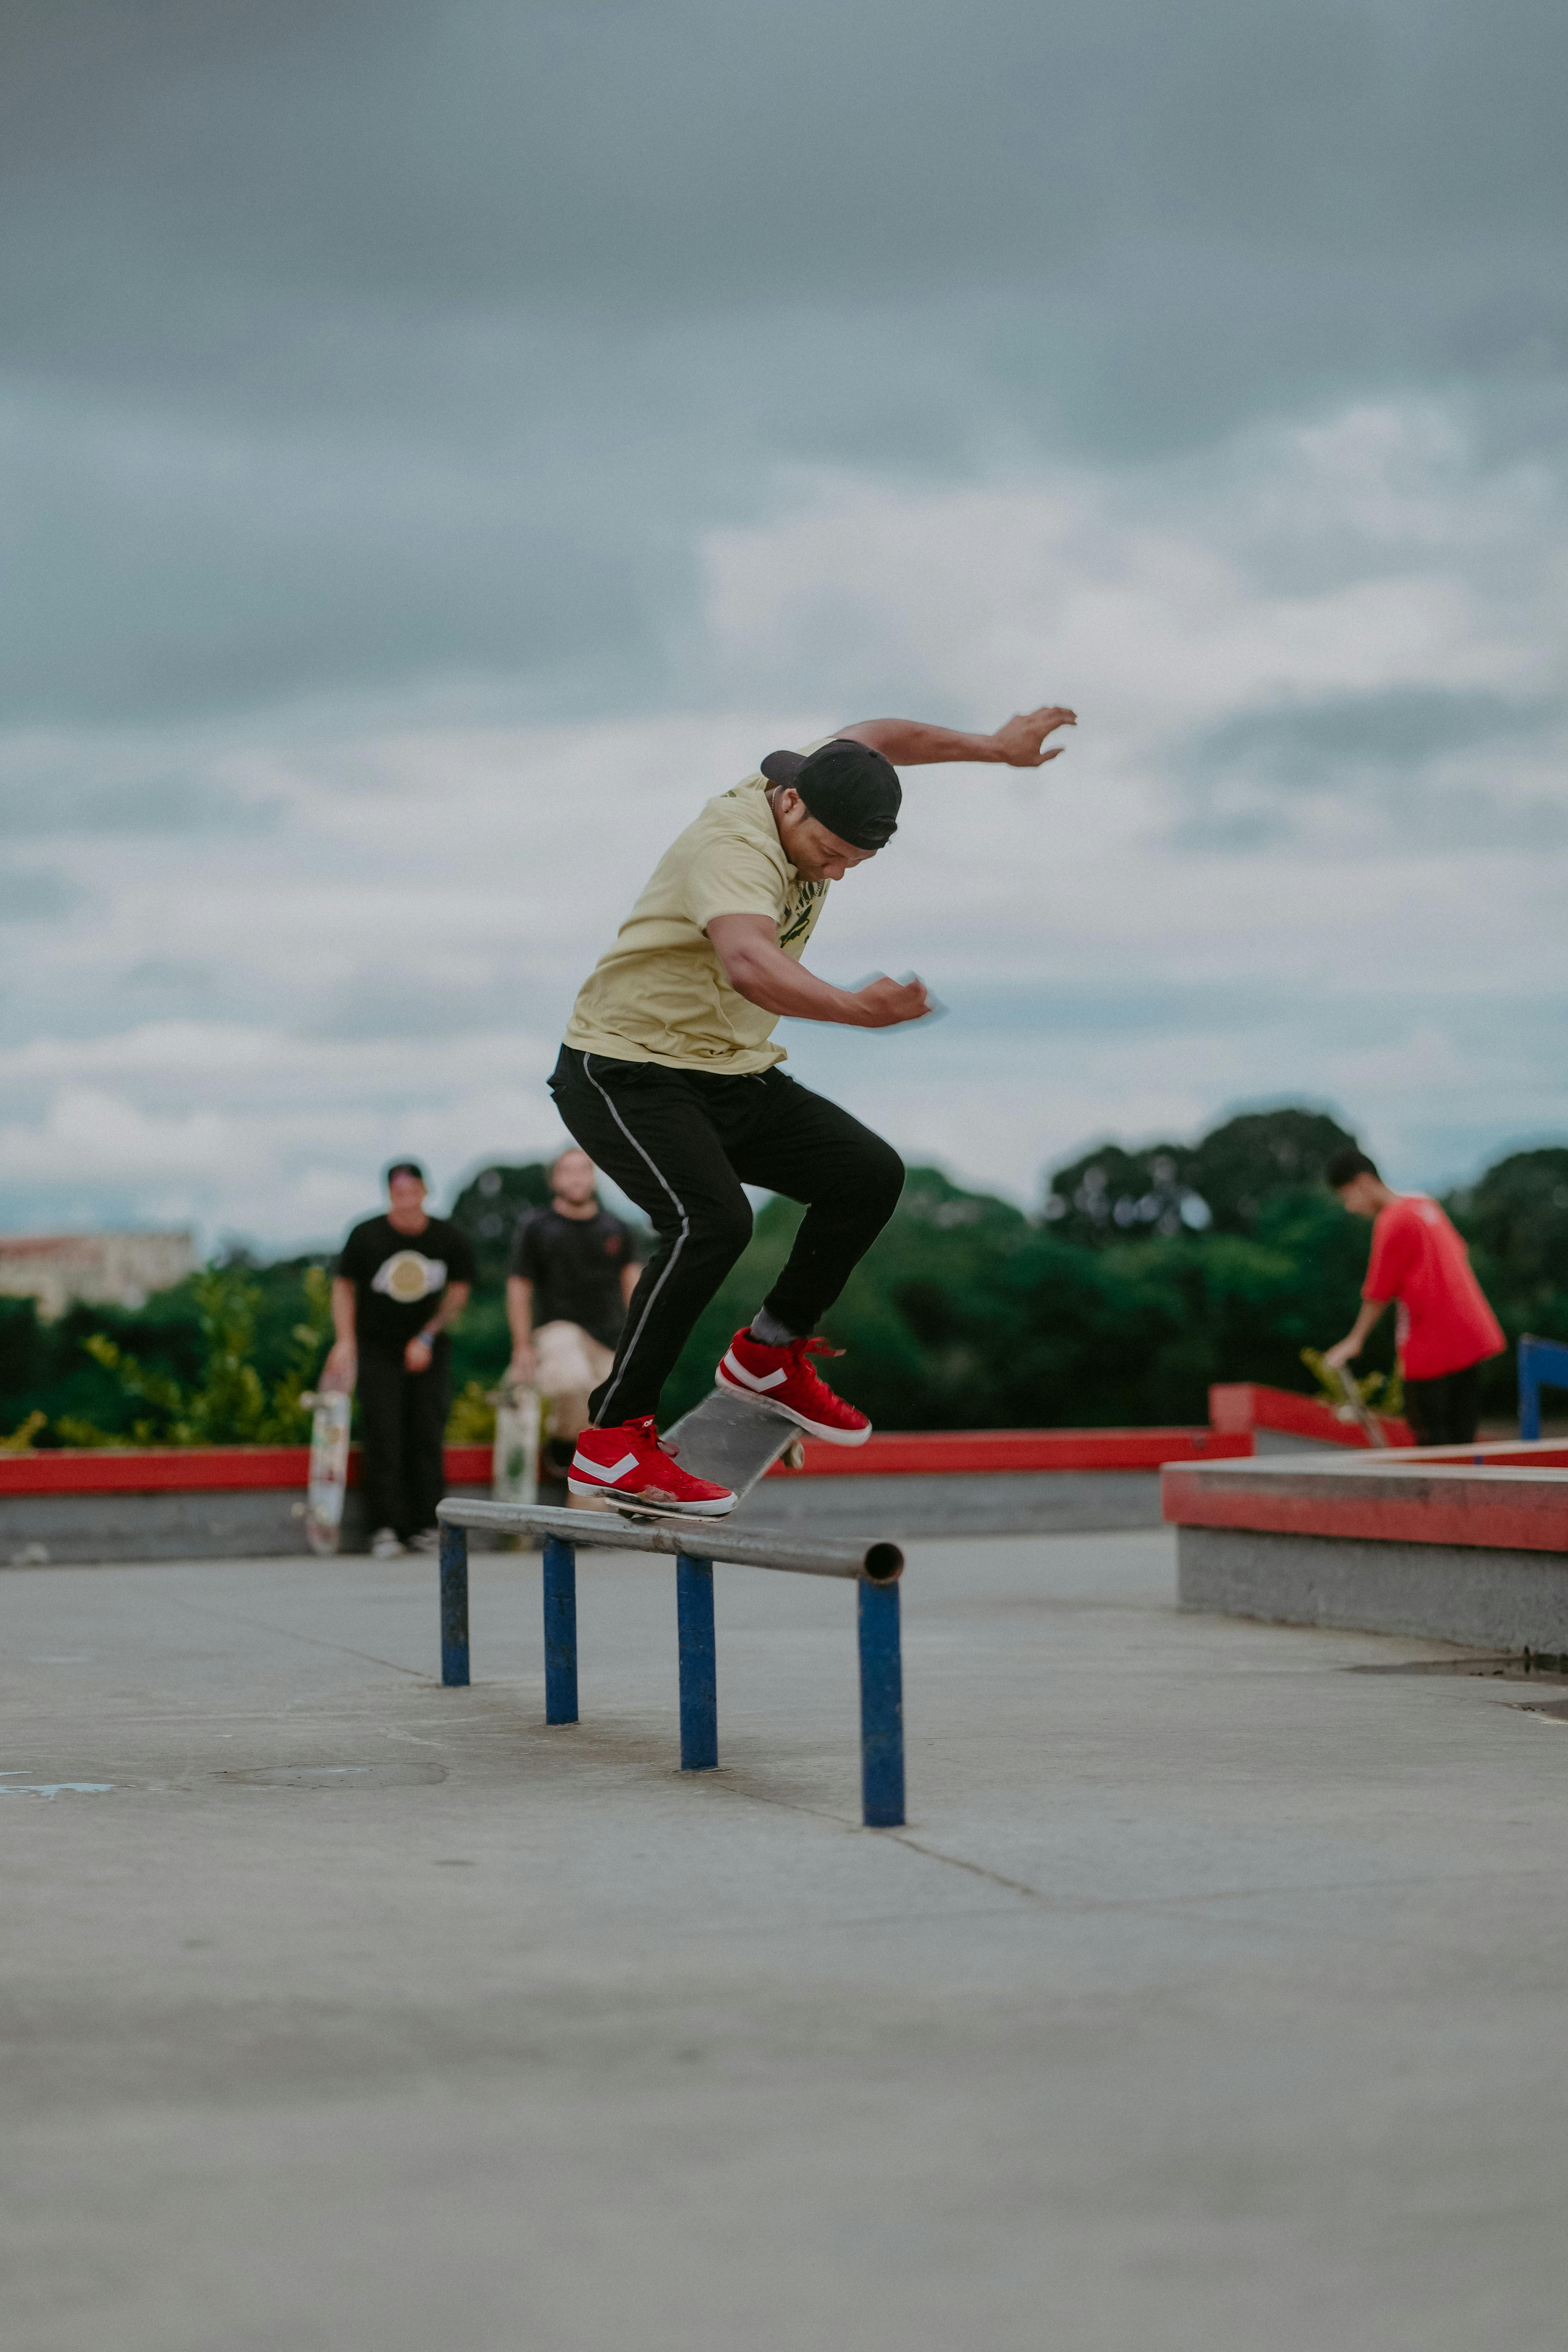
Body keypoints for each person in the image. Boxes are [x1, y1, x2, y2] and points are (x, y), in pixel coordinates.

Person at [551, 706, 1077, 1515]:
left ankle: (768, 1354)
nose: (833, 875)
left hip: (727, 1070)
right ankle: (612, 1441)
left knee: (864, 1172)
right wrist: (855, 1010)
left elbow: (881, 736)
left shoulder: (819, 774)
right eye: (829, 855)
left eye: (853, 864)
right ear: (790, 805)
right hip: (627, 1069)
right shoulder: (733, 848)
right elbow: (749, 962)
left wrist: (994, 750)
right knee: (709, 1221)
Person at [327, 1162, 476, 1558]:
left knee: (426, 1432)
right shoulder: (366, 1235)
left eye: (414, 1193)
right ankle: (384, 1527)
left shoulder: (446, 1237)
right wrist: (345, 1341)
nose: (407, 1202)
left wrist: (427, 1335)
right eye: (399, 1195)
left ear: (425, 1192)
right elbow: (343, 1287)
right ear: (390, 1195)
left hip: (429, 1348)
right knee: (383, 1433)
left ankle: (427, 1526)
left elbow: (459, 1291)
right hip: (377, 1348)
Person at [1321, 1148, 1504, 1447]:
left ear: (1364, 1182)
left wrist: (1355, 1340)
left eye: (1347, 1196)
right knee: (1462, 1437)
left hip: (1431, 1346)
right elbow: (1461, 1251)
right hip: (1470, 1336)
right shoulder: (1425, 1204)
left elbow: (1378, 1291)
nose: (1349, 1207)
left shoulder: (1391, 1221)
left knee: (1432, 1440)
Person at [506, 1147, 641, 1469]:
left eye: (584, 1170)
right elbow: (519, 1287)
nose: (577, 1177)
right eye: (568, 1170)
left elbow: (634, 1288)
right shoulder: (537, 1226)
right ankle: (563, 1444)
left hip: (608, 1335)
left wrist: (640, 1345)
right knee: (572, 1377)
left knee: (611, 1420)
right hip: (557, 1330)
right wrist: (521, 1346)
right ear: (554, 1180)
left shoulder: (617, 1228)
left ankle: (583, 1492)